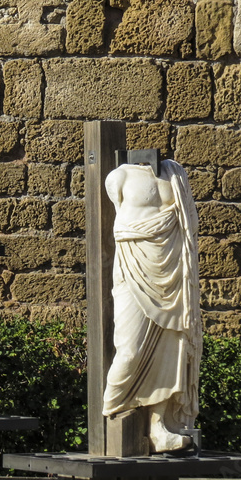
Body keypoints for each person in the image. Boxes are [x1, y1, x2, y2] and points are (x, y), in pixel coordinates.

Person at [102, 161, 201, 452]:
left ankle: (158, 426)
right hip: (134, 269)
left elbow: (188, 222)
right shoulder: (117, 176)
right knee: (129, 349)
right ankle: (112, 412)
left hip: (171, 273)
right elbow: (122, 226)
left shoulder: (175, 173)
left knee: (169, 347)